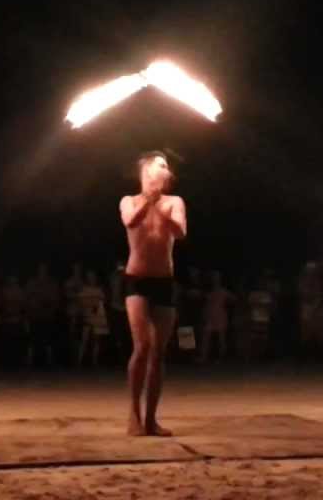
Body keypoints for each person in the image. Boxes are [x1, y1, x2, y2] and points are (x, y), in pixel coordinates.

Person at [120, 151, 186, 437]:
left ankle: (151, 419)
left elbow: (180, 232)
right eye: (160, 165)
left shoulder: (175, 202)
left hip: (164, 281)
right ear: (146, 171)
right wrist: (148, 200)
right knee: (143, 346)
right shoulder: (128, 200)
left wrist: (159, 205)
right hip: (137, 280)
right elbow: (130, 222)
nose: (165, 169)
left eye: (166, 166)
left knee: (158, 351)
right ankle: (133, 414)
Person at [25, 264, 60, 367]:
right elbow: (27, 299)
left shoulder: (52, 283)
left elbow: (56, 299)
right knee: (32, 340)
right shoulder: (32, 283)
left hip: (48, 316)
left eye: (44, 270)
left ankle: (49, 361)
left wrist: (47, 304)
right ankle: (30, 361)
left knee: (48, 340)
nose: (42, 272)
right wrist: (30, 311)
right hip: (34, 316)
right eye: (40, 270)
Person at [197, 270, 234, 364]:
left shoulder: (223, 291)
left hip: (220, 316)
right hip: (209, 316)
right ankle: (203, 357)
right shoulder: (208, 290)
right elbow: (204, 302)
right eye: (213, 277)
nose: (215, 279)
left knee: (221, 338)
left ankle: (221, 358)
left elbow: (233, 299)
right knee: (206, 337)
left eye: (216, 277)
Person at [76, 269, 108, 367]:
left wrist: (97, 306)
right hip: (87, 316)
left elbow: (103, 301)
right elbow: (80, 302)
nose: (91, 278)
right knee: (84, 340)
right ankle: (79, 361)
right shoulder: (84, 289)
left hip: (98, 317)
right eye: (90, 276)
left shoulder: (99, 289)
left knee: (96, 340)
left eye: (93, 276)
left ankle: (95, 362)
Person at [298, 262, 323, 356]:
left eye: (313, 271)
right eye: (309, 271)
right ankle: (305, 354)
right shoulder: (303, 282)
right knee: (305, 332)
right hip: (306, 308)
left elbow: (320, 295)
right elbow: (303, 294)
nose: (311, 273)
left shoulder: (318, 282)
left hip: (317, 308)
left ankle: (320, 354)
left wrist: (316, 305)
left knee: (319, 332)